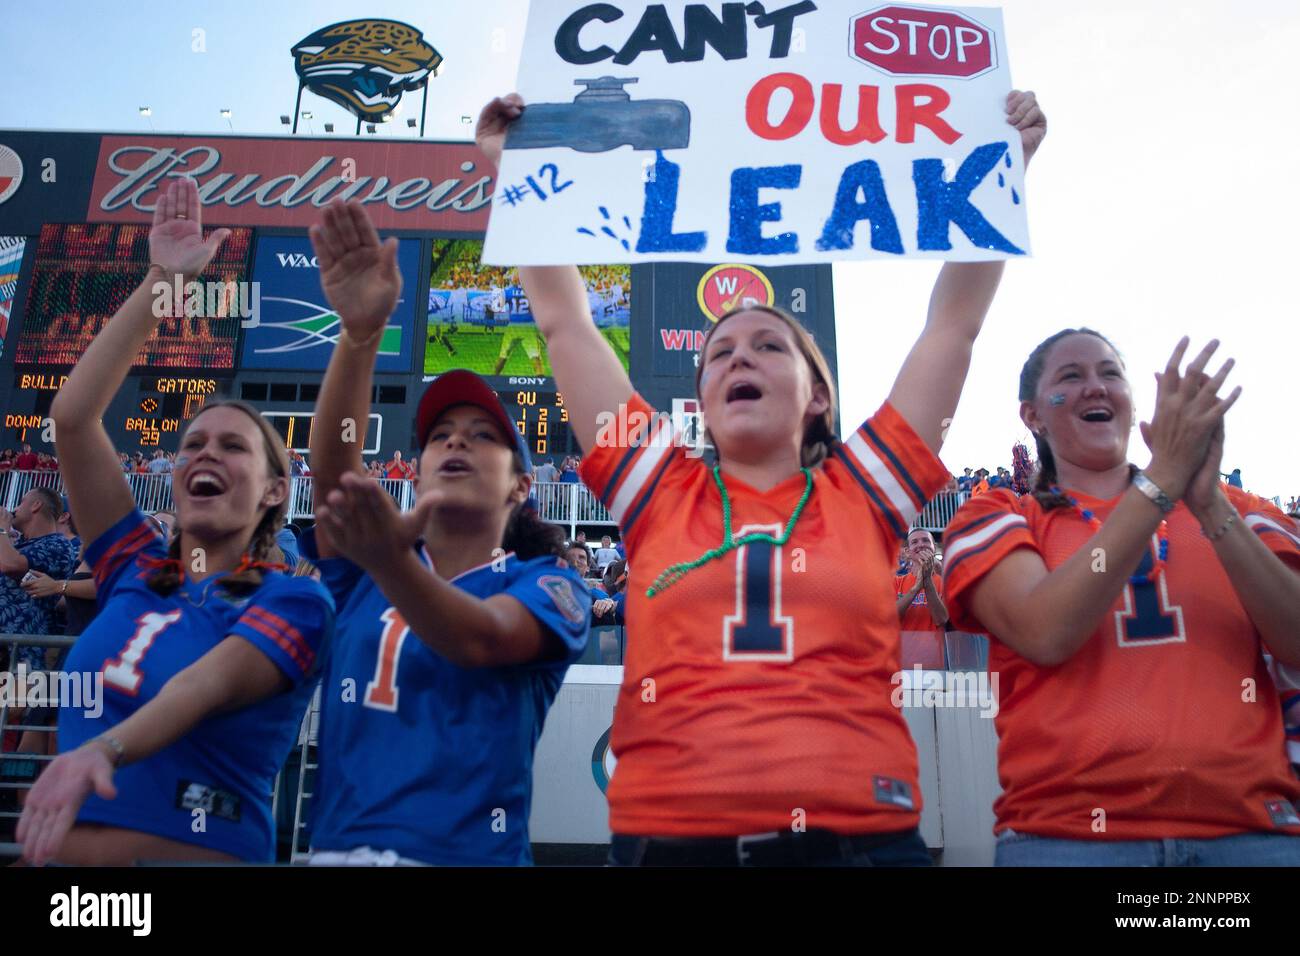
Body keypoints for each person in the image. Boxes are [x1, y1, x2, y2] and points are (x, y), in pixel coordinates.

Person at [475, 88, 1045, 866]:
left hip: (857, 837)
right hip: (670, 841)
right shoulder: (655, 487)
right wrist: (513, 178)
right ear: (701, 399)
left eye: (769, 345)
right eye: (720, 352)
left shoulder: (867, 489)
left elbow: (953, 326)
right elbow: (565, 322)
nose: (740, 355)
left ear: (818, 396)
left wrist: (1003, 173)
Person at [16, 178, 334, 866]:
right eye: (192, 443)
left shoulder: (293, 597)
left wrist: (102, 749)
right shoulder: (133, 564)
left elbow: (202, 685)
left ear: (276, 489)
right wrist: (163, 282)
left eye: (231, 446)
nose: (204, 453)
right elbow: (71, 419)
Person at [941, 330, 1300, 866]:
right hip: (1068, 836)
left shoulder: (1238, 509)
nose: (1095, 388)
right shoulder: (998, 515)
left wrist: (1206, 506)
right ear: (1032, 415)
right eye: (1071, 376)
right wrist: (1161, 484)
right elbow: (1045, 631)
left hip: (1249, 832)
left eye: (1111, 374)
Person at [303, 200, 590, 865]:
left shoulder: (545, 581)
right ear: (420, 463)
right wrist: (359, 334)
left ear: (522, 485)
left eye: (484, 436)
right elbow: (333, 474)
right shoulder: (366, 572)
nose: (456, 441)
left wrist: (391, 564)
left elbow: (481, 638)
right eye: (439, 436)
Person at [0, 488, 79, 668]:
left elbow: (10, 565)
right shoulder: (19, 544)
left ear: (36, 505)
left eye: (21, 502)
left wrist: (1, 529)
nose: (16, 508)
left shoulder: (58, 544)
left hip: (19, 654)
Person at [894, 527, 948, 669]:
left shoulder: (944, 581)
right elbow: (890, 617)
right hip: (900, 663)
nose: (921, 544)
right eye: (914, 542)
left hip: (934, 664)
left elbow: (941, 619)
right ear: (907, 551)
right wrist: (916, 588)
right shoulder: (896, 582)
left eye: (925, 540)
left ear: (934, 547)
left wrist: (927, 581)